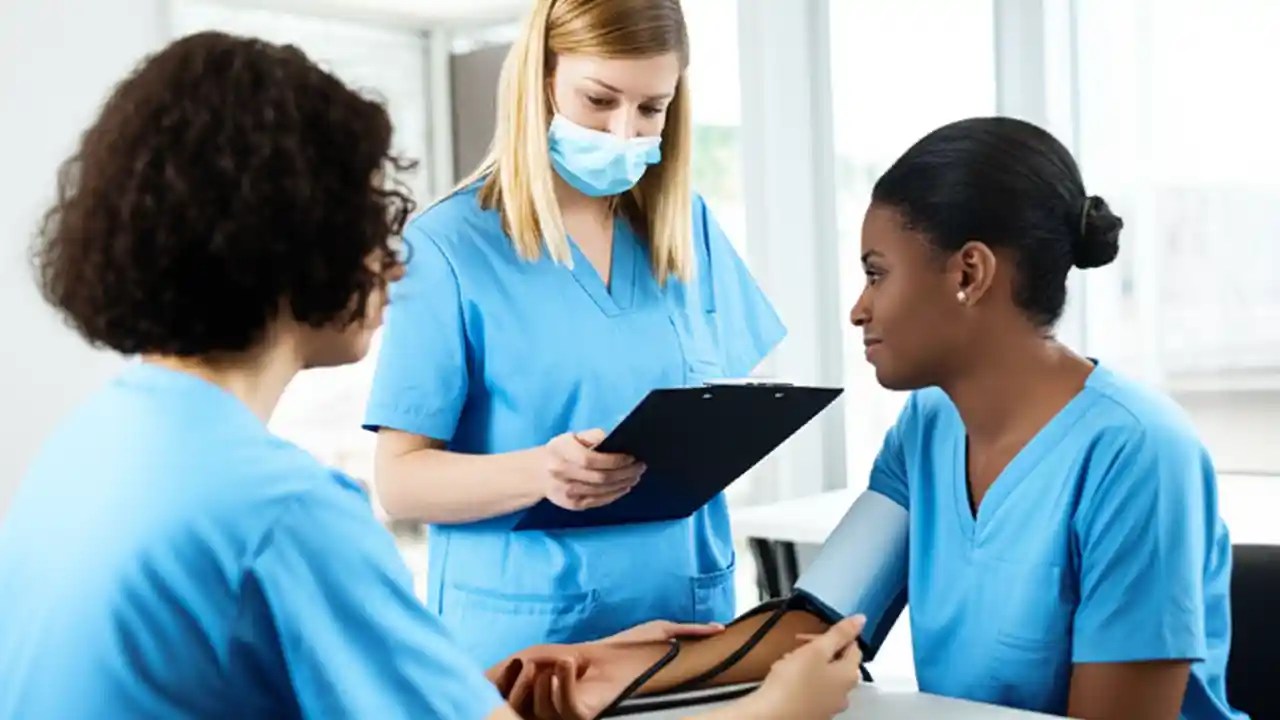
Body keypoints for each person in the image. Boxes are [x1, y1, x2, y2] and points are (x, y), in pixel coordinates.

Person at [0, 30, 866, 720]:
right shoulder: (284, 516)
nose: (393, 258)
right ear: (293, 244)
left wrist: (597, 667)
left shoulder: (85, 452)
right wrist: (774, 712)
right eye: (370, 217)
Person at [365, 0, 784, 668]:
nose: (625, 131)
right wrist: (540, 472)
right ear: (541, 80)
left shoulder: (687, 228)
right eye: (599, 100)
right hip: (528, 642)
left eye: (652, 109)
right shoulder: (448, 247)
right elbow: (401, 482)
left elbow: (713, 411)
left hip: (687, 626)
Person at [842, 116, 1246, 720]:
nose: (859, 308)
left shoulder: (1139, 453)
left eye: (877, 274)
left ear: (969, 273)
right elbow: (818, 618)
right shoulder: (926, 425)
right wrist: (648, 668)